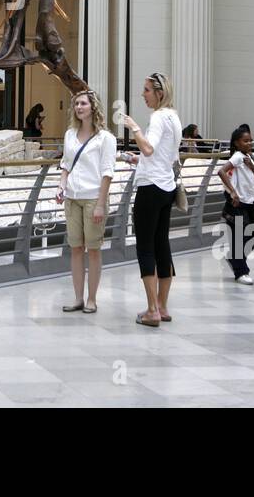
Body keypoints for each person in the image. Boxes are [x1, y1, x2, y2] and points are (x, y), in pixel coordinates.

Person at [118, 71, 181, 327]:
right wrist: (137, 159)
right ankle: (163, 306)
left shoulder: (157, 117)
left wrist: (133, 127)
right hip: (166, 187)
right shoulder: (174, 117)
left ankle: (152, 310)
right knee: (162, 245)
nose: (142, 94)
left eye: (146, 90)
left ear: (159, 93)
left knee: (145, 247)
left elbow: (148, 148)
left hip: (150, 187)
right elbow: (163, 154)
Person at [55, 90, 116, 314]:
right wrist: (61, 185)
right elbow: (66, 164)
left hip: (93, 198)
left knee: (93, 249)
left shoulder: (106, 138)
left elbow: (107, 172)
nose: (79, 107)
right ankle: (78, 298)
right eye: (76, 104)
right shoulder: (70, 134)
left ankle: (92, 299)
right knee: (76, 248)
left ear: (93, 107)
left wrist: (101, 203)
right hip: (72, 198)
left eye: (83, 103)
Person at [219, 126, 254, 285]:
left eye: (250, 140)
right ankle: (241, 272)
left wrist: (251, 166)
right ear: (237, 143)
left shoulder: (247, 157)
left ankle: (235, 260)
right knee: (240, 236)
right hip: (238, 203)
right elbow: (222, 172)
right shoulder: (237, 156)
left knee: (253, 234)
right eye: (246, 141)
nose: (249, 143)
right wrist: (233, 192)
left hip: (250, 202)